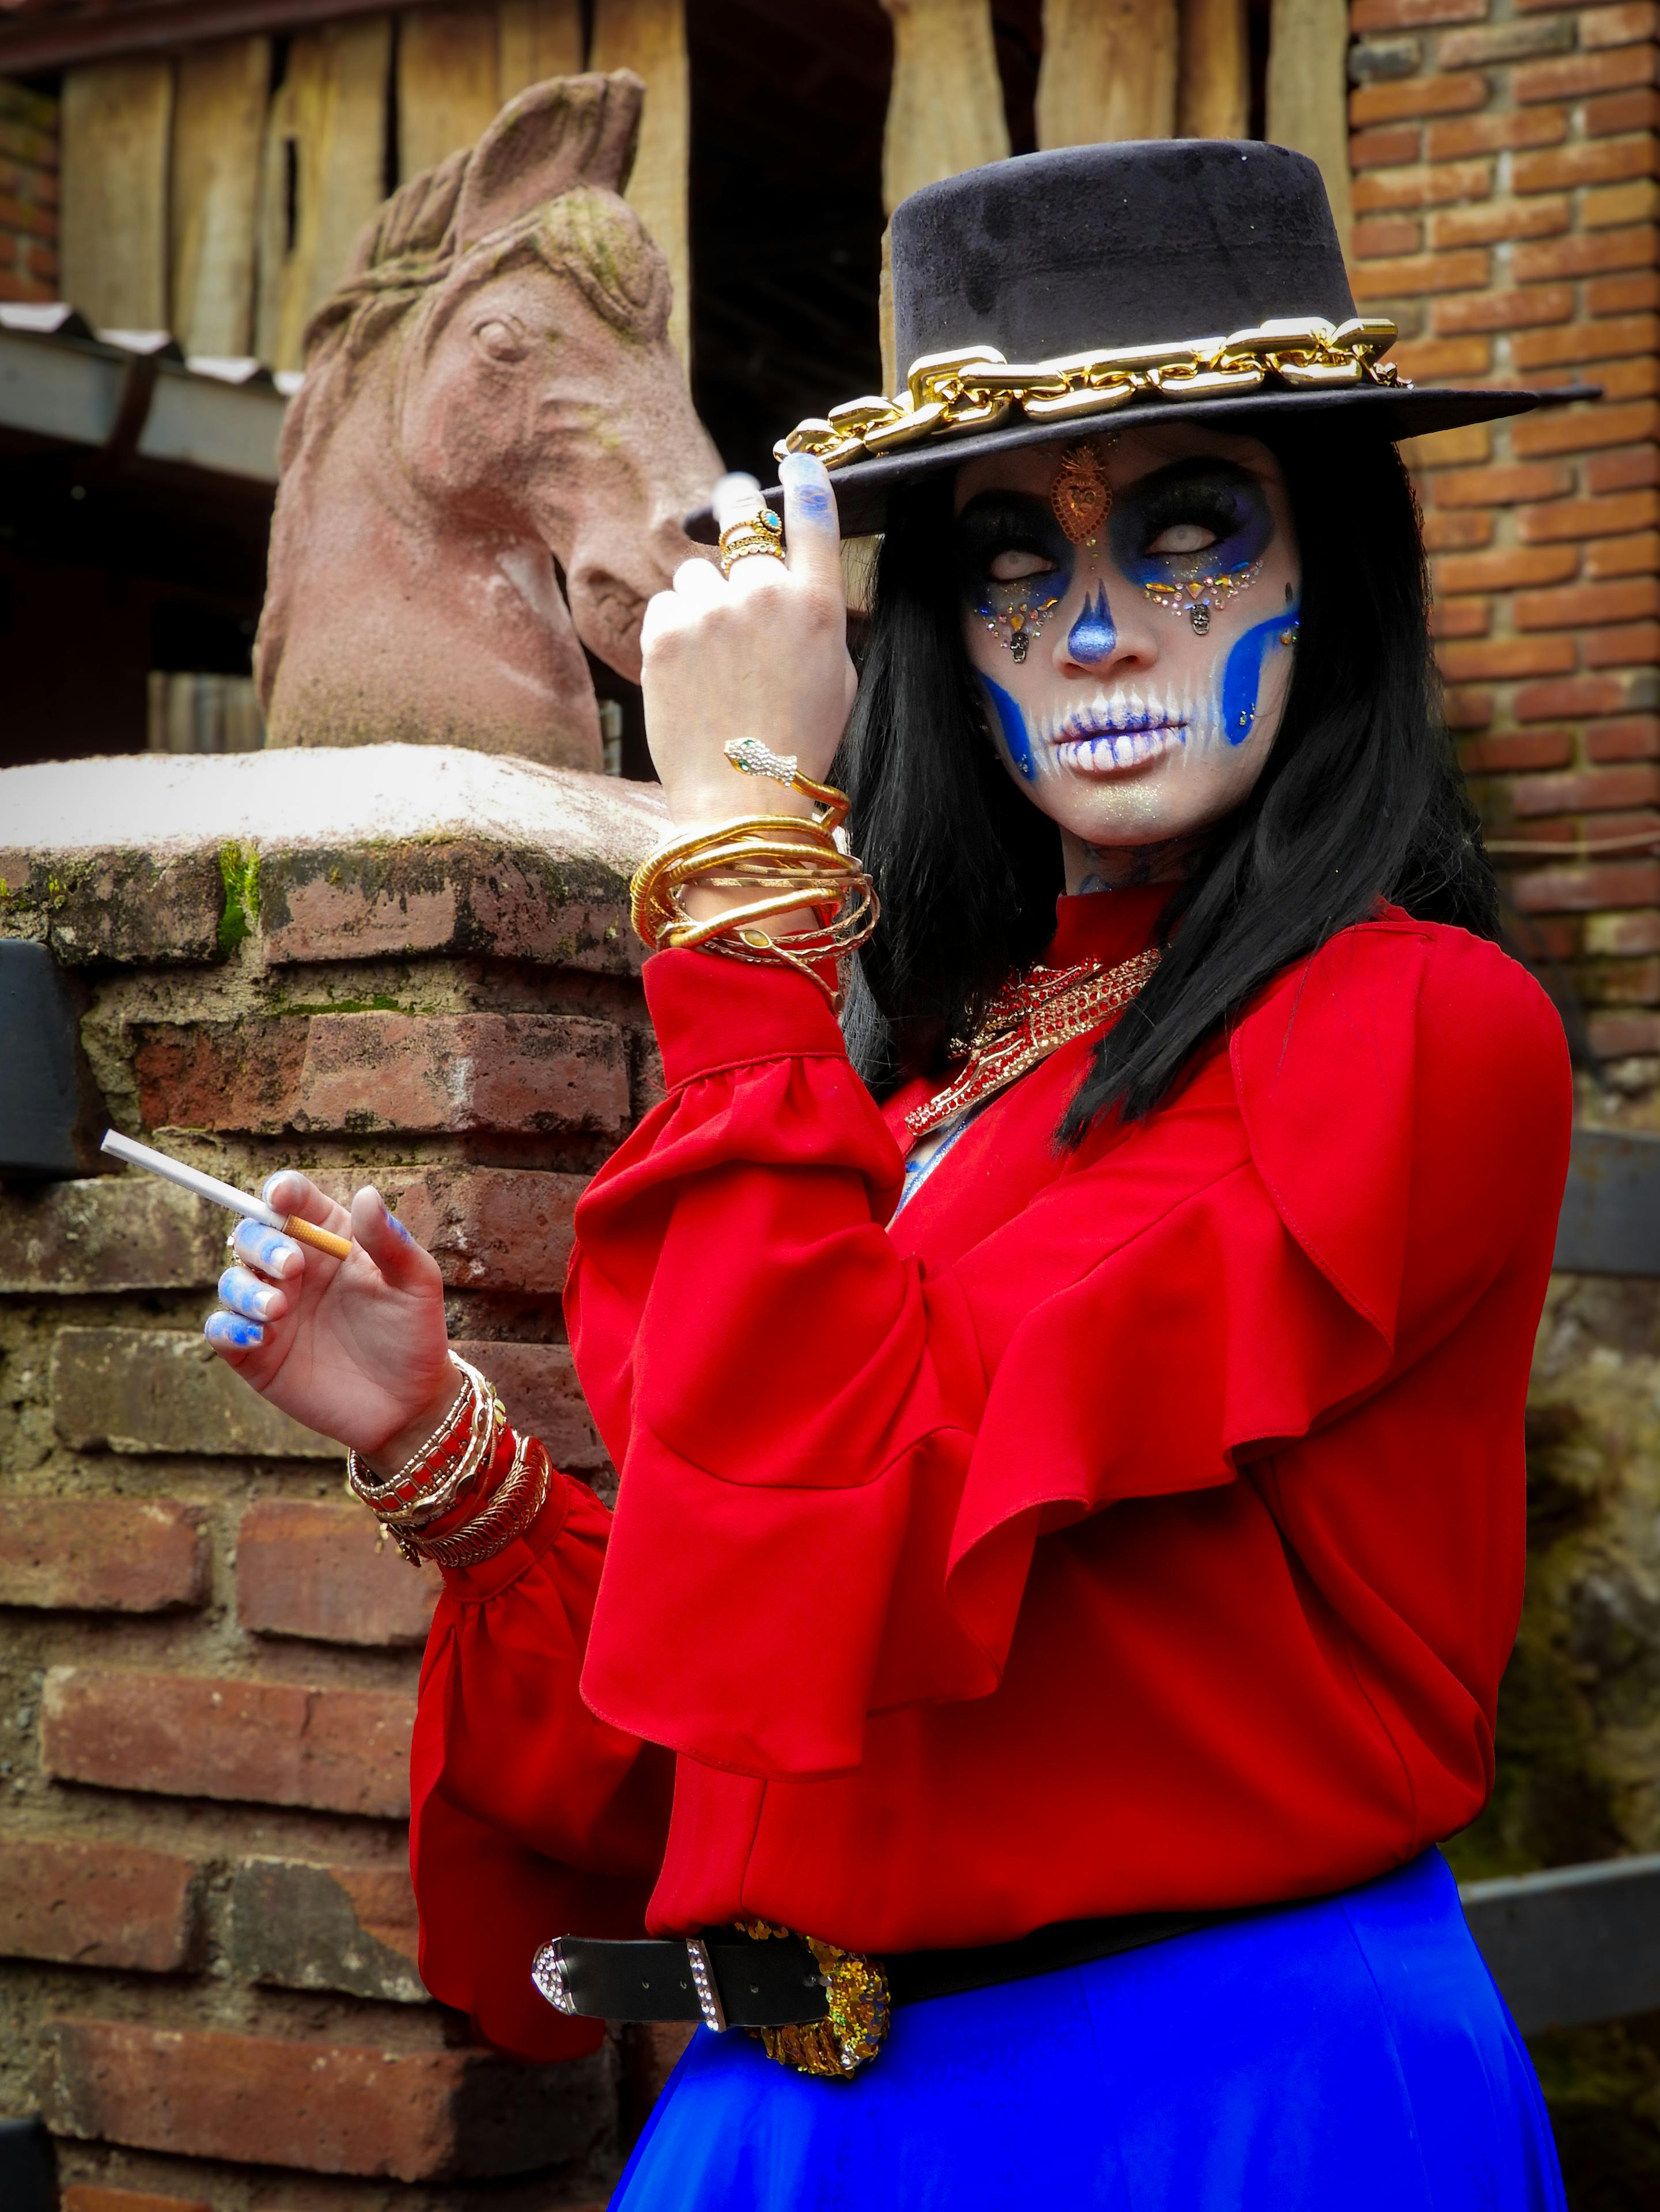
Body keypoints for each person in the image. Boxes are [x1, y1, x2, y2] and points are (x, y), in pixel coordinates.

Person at [205, 143, 1576, 2209]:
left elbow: (861, 1507)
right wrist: (436, 1444)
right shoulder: (934, 1069)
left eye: (1196, 532)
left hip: (1194, 2101)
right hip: (790, 2115)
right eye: (1014, 558)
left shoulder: (1411, 1030)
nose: (1101, 627)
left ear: (1337, 580)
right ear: (946, 628)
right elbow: (767, 1667)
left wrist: (747, 842)